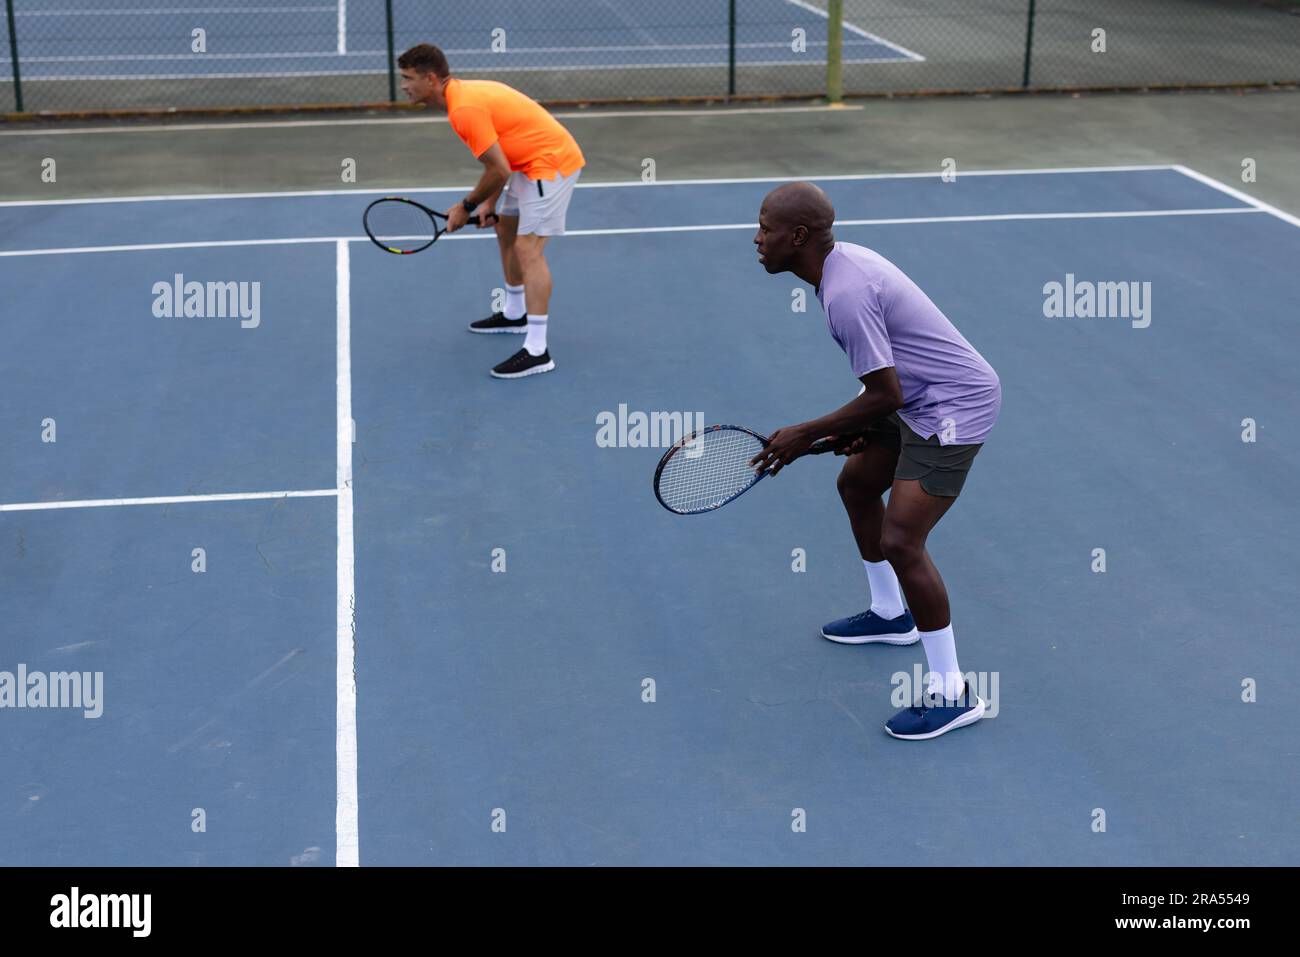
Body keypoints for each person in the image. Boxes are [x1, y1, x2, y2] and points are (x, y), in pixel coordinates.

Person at [750, 182, 1001, 740]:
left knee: (901, 541)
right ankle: (891, 615)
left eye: (765, 229)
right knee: (859, 485)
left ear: (798, 237)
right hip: (915, 393)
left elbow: (883, 394)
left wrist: (802, 434)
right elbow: (887, 391)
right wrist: (856, 430)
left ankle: (953, 692)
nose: (757, 239)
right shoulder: (838, 269)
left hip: (953, 405)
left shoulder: (845, 294)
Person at [397, 43, 585, 379]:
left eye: (409, 78)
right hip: (526, 163)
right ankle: (515, 313)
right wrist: (489, 203)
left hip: (550, 163)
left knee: (529, 250)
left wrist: (465, 206)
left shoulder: (463, 110)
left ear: (431, 78)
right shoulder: (460, 99)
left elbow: (498, 169)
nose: (404, 85)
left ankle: (538, 351)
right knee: (505, 229)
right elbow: (503, 156)